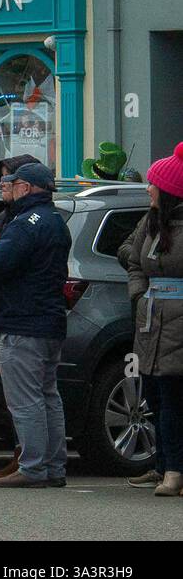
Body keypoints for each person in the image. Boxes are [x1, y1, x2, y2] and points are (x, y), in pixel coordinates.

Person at [0, 162, 72, 488]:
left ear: (25, 188)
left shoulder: (26, 223)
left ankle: (33, 467)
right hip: (47, 321)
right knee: (47, 396)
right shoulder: (55, 220)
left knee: (25, 399)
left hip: (22, 322)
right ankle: (54, 467)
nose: (6, 187)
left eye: (10, 183)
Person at [123, 141, 183, 496]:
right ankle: (163, 466)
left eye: (153, 184)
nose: (148, 188)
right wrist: (139, 295)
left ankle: (175, 472)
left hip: (177, 324)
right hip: (151, 323)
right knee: (156, 398)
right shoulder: (151, 222)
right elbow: (134, 262)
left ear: (171, 191)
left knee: (175, 400)